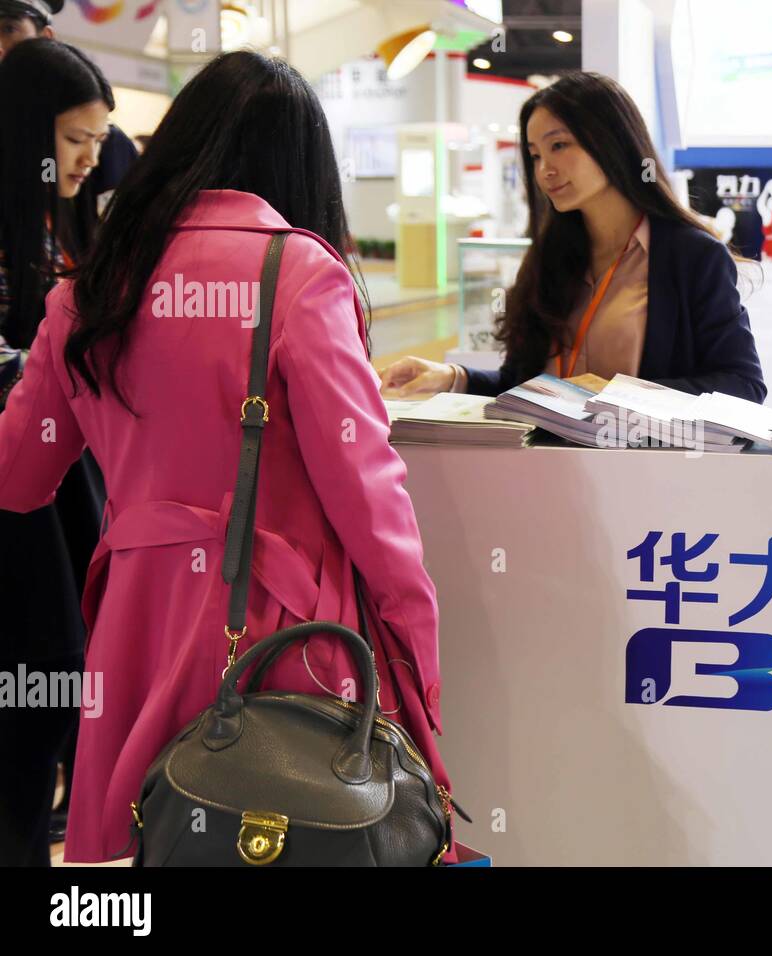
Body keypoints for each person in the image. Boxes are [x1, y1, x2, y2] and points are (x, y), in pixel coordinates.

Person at [0, 50, 455, 864]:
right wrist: (415, 636)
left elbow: (17, 478)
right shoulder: (299, 274)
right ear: (300, 168)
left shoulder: (89, 286)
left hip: (135, 625)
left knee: (165, 842)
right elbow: (367, 490)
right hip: (278, 624)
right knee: (282, 829)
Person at [378, 71, 767, 403]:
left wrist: (616, 396)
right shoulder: (550, 257)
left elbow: (743, 385)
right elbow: (526, 387)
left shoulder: (691, 256)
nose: (545, 169)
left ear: (610, 141)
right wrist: (453, 377)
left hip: (641, 476)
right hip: (544, 475)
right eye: (535, 155)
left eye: (559, 146)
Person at [0, 36, 112, 867]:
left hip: (70, 484)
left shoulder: (63, 224)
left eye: (99, 141)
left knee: (64, 677)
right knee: (36, 678)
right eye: (75, 139)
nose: (88, 159)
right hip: (18, 499)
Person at [0, 1, 139, 205]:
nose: (90, 159)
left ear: (46, 38)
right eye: (75, 139)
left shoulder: (110, 149)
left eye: (9, 29)